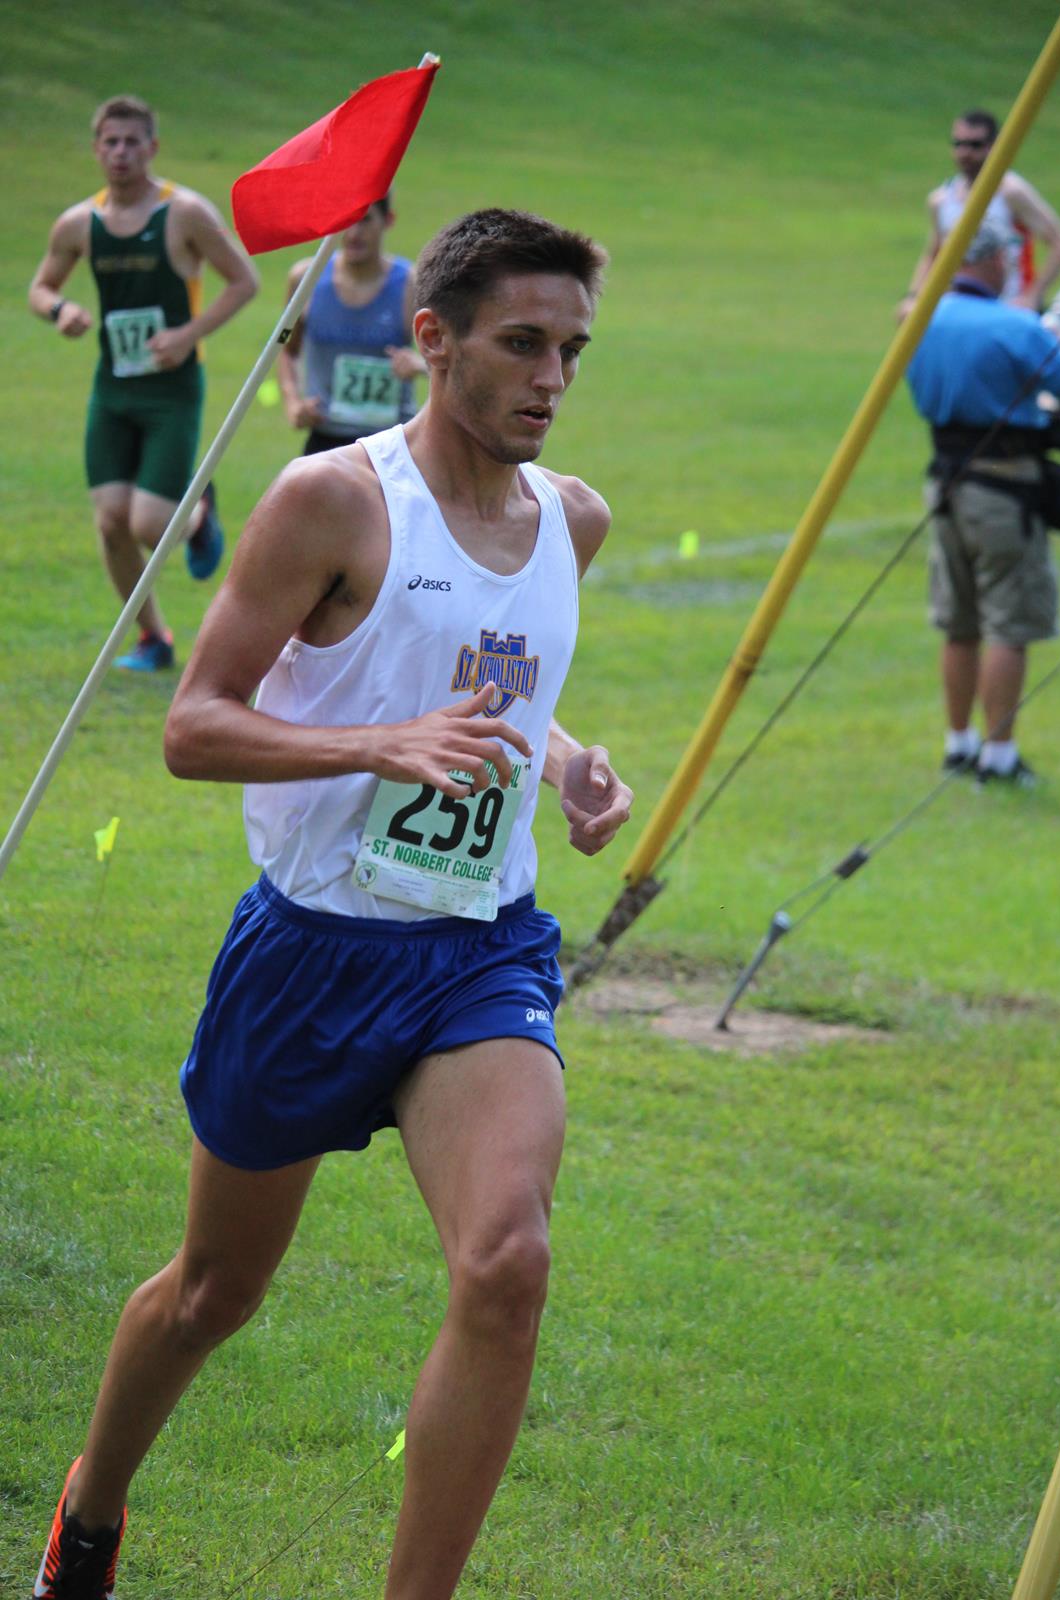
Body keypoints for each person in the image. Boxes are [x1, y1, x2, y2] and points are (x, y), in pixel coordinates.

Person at [32, 207, 633, 1600]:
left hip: (477, 950)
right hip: (311, 950)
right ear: (430, 340)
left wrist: (562, 759)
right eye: (521, 343)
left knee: (505, 1263)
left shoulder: (571, 520)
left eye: (572, 351)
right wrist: (377, 746)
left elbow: (494, 685)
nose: (549, 377)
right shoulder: (335, 502)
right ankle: (94, 1508)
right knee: (209, 1296)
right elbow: (194, 725)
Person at [28, 94, 259, 671]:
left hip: (172, 391)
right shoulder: (79, 223)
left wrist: (187, 334)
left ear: (152, 148)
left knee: (151, 524)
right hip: (112, 390)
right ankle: (154, 639)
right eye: (111, 141)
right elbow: (40, 288)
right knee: (110, 524)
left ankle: (198, 512)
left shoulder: (183, 213)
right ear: (96, 150)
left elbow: (244, 281)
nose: (121, 152)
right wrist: (62, 312)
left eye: (133, 141)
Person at [907, 218, 1060, 784]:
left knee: (960, 622)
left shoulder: (922, 319)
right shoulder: (1014, 327)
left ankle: (959, 743)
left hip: (945, 487)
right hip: (1006, 490)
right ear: (996, 260)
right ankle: (999, 757)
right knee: (1009, 624)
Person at [277, 193, 426, 455]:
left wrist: (419, 364)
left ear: (388, 220)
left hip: (392, 445)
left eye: (365, 220)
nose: (354, 233)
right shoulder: (305, 278)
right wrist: (293, 402)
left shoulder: (411, 284)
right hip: (325, 440)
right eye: (345, 221)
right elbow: (285, 349)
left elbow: (446, 357)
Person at [898, 108, 1060, 322]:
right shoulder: (941, 200)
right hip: (963, 311)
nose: (965, 152)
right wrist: (914, 297)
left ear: (994, 146)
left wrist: (1032, 297)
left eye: (975, 145)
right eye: (958, 144)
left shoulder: (1011, 192)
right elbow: (934, 253)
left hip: (1010, 312)